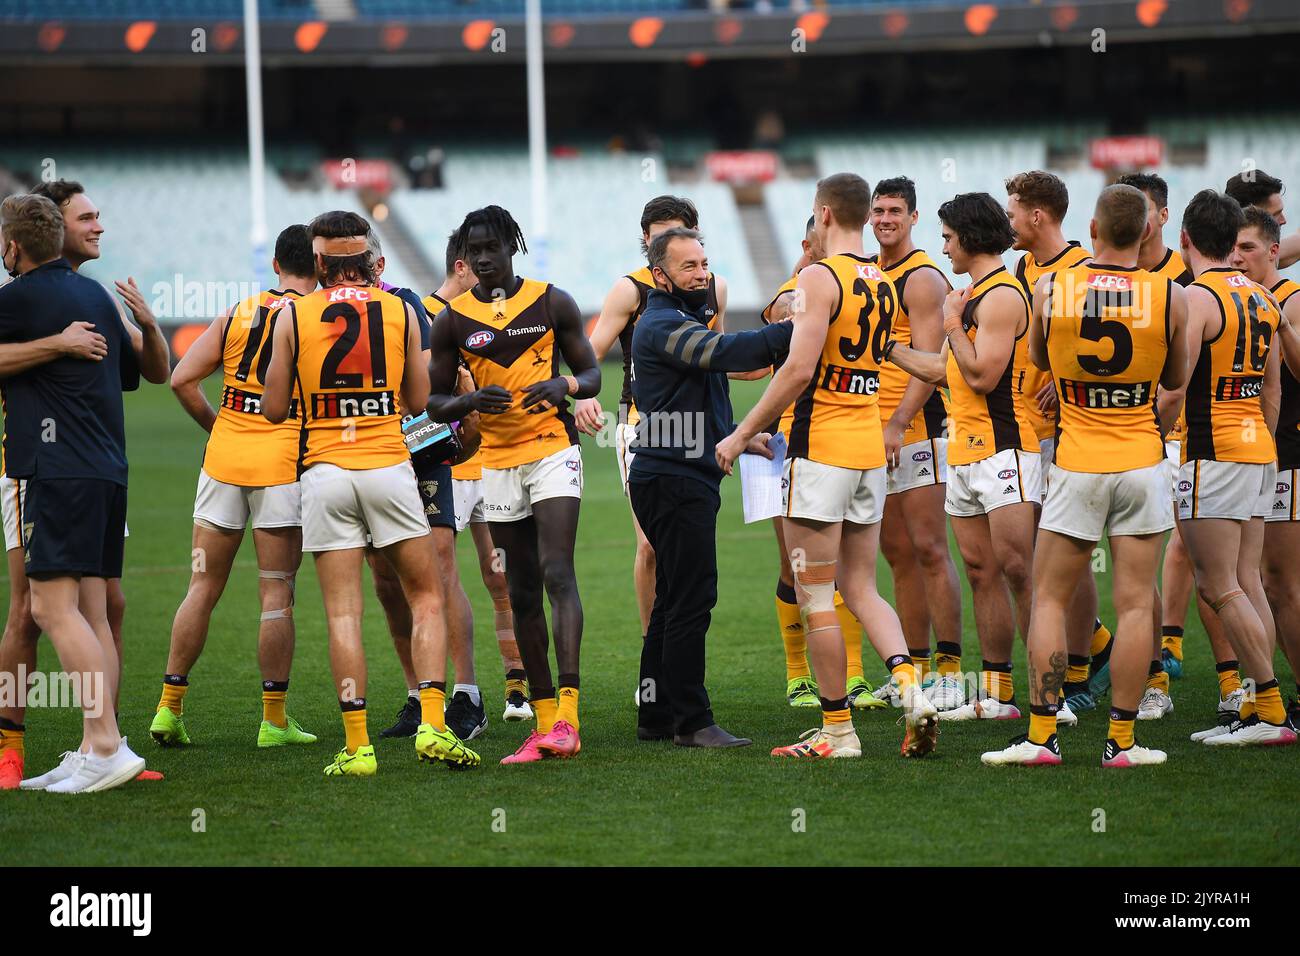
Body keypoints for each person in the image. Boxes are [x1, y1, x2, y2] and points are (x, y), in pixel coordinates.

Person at [718, 173, 939, 759]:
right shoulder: (884, 280)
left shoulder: (817, 277)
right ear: (865, 216)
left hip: (820, 452)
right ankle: (914, 692)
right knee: (863, 586)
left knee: (815, 594)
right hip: (870, 450)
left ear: (821, 214)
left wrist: (742, 433)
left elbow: (795, 370)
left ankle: (838, 731)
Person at [262, 210, 479, 776]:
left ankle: (358, 746)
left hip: (325, 471)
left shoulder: (292, 314)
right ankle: (433, 725)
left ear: (318, 265)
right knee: (426, 596)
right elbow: (415, 401)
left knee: (342, 614)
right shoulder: (401, 308)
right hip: (388, 465)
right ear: (371, 263)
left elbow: (275, 408)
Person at [983, 183, 1188, 767]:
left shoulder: (1052, 285)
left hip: (1076, 461)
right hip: (1142, 460)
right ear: (1148, 232)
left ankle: (1042, 736)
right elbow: (1174, 375)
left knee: (1048, 599)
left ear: (1093, 230)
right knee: (1134, 606)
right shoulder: (1170, 295)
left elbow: (1041, 361)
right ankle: (1122, 743)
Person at [426, 205, 601, 765]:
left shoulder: (553, 301)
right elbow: (431, 401)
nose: (482, 258)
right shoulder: (452, 320)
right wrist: (468, 402)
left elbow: (594, 371)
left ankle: (569, 717)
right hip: (496, 461)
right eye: (473, 250)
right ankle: (544, 723)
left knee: (556, 571)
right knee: (520, 590)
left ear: (511, 248)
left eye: (491, 248)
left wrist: (565, 385)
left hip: (552, 448)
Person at [149, 224, 318, 749]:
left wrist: (220, 426)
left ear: (274, 264)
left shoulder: (237, 312)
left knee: (201, 587)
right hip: (281, 467)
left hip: (221, 463)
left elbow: (181, 379)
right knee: (276, 595)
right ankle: (273, 721)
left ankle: (168, 709)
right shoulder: (316, 320)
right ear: (319, 265)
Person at [0, 194, 145, 792]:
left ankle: (106, 744)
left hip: (57, 472)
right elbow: (134, 376)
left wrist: (52, 347)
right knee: (93, 613)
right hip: (108, 471)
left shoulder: (16, 299)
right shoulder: (97, 298)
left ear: (12, 247)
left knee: (48, 609)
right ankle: (93, 748)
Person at [629, 227, 788, 747]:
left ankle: (654, 715)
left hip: (669, 473)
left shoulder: (678, 318)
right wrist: (805, 325)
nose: (701, 274)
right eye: (688, 267)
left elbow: (690, 406)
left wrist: (742, 438)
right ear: (660, 275)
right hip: (673, 480)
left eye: (704, 263)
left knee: (673, 598)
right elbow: (732, 353)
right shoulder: (659, 323)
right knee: (693, 597)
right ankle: (693, 722)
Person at [889, 192, 1040, 723]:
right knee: (981, 571)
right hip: (965, 453)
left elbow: (981, 375)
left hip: (1007, 451)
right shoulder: (971, 293)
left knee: (1020, 571)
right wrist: (887, 347)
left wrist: (952, 322)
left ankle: (1050, 696)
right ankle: (998, 695)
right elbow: (945, 371)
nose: (944, 246)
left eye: (949, 237)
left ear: (970, 238)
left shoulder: (1000, 296)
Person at [573, 196, 726, 652]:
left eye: (675, 232)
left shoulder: (714, 286)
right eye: (656, 235)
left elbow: (715, 360)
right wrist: (582, 394)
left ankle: (676, 658)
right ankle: (653, 657)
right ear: (646, 240)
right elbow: (588, 353)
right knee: (652, 547)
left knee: (691, 548)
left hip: (697, 430)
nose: (665, 241)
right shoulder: (629, 290)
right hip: (642, 426)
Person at [357, 232, 489, 743]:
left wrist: (463, 426)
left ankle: (466, 695)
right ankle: (417, 695)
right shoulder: (320, 312)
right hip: (364, 456)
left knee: (439, 567)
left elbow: (443, 382)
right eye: (339, 267)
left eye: (359, 265)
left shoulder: (406, 304)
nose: (349, 276)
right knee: (385, 579)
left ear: (378, 264)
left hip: (419, 450)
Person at [1175, 190, 1294, 747]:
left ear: (1185, 240)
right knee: (1249, 583)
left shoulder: (1194, 299)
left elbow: (1176, 385)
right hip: (1257, 451)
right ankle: (1256, 706)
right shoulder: (1263, 298)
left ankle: (1267, 712)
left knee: (1219, 586)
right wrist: (1260, 446)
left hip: (1212, 451)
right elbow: (1272, 390)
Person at [761, 218, 881, 711]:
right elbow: (776, 318)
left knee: (837, 574)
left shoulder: (849, 285)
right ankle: (798, 677)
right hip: (783, 440)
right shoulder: (799, 288)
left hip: (826, 442)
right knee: (798, 570)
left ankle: (852, 677)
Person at [1006, 170, 1111, 720]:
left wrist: (1060, 375)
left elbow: (1100, 346)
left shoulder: (1084, 270)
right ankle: (1097, 649)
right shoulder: (1023, 267)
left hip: (1070, 432)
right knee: (1042, 554)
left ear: (1037, 215)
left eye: (1013, 211)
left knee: (1075, 551)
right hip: (1027, 428)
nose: (1009, 221)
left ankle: (1077, 671)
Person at [868, 176, 965, 712]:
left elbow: (932, 365)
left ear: (913, 217)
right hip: (870, 431)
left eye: (895, 211)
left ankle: (950, 670)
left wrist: (897, 423)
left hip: (915, 430)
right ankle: (915, 668)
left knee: (929, 548)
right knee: (897, 553)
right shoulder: (870, 271)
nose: (885, 219)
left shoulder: (922, 277)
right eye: (879, 210)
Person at [426, 236, 530, 724]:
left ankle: (517, 686)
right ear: (462, 267)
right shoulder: (425, 314)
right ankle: (462, 694)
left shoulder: (500, 312)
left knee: (502, 576)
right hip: (446, 465)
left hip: (495, 458)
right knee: (442, 579)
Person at [1115, 172, 1208, 688]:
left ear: (1165, 217)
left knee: (1204, 558)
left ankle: (1232, 682)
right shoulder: (1103, 277)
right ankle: (1149, 675)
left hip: (1182, 435)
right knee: (1133, 568)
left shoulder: (1187, 281)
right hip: (1127, 438)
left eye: (1146, 208)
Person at [1228, 205, 1300, 726]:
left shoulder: (1288, 298)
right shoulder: (1234, 298)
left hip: (1288, 452)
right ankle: (1263, 696)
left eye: (1248, 248)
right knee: (1250, 578)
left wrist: (1279, 322)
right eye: (1232, 249)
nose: (1238, 257)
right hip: (1250, 455)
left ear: (1274, 251)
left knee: (1280, 582)